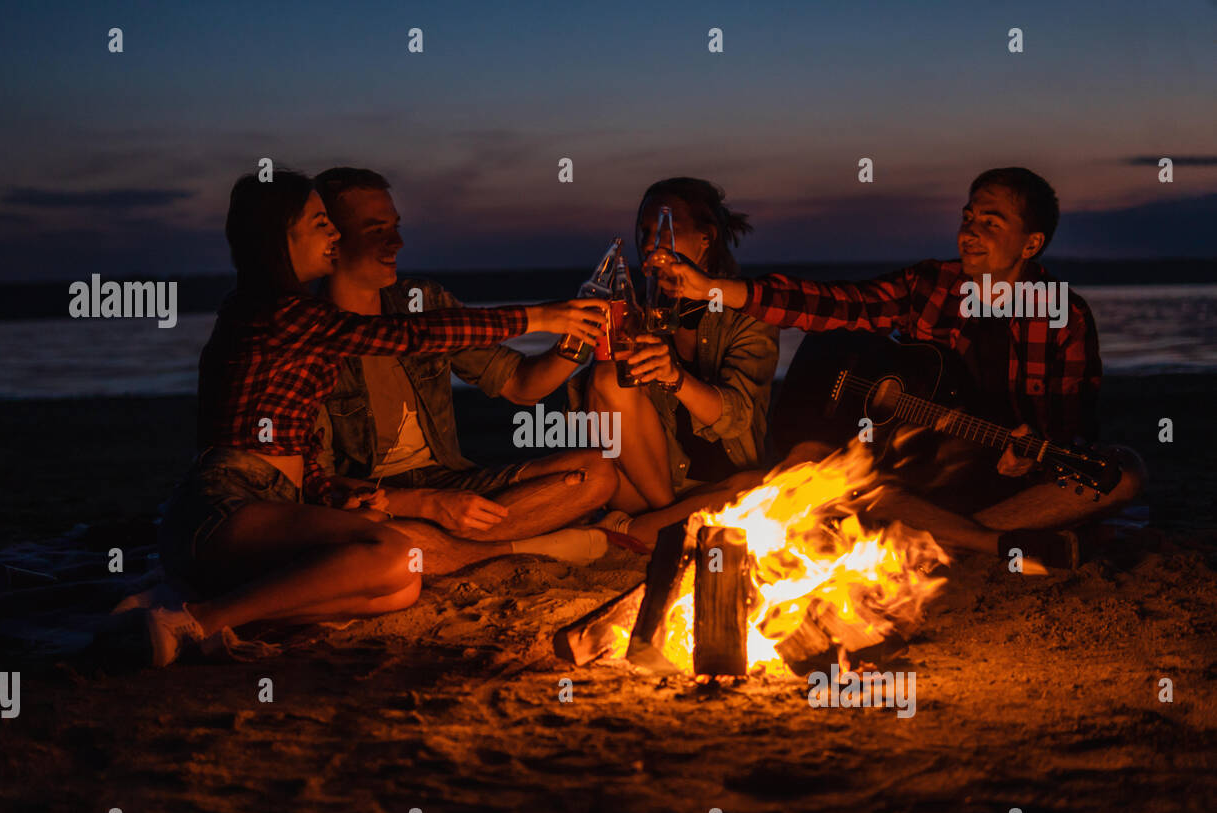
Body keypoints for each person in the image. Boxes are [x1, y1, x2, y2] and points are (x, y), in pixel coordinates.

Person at [119, 170, 608, 667]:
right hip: (226, 503)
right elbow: (407, 337)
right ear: (279, 236)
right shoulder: (275, 314)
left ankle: (216, 611)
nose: (332, 235)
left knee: (399, 589)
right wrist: (540, 317)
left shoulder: (305, 327)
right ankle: (196, 619)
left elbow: (302, 450)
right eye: (320, 225)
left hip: (277, 504)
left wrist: (340, 495)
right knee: (394, 550)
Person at [647, 167, 1146, 571]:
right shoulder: (931, 284)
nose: (968, 232)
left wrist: (1034, 451)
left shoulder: (1065, 315)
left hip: (996, 482)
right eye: (968, 217)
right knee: (852, 483)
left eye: (989, 223)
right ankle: (978, 543)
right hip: (918, 477)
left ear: (1031, 243)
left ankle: (937, 540)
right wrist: (712, 288)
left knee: (1121, 475)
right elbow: (835, 304)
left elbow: (1073, 428)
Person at [309, 166, 617, 541]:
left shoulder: (421, 302)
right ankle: (488, 546)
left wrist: (576, 338)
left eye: (396, 227)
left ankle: (450, 544)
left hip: (448, 479)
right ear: (332, 241)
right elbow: (317, 482)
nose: (396, 243)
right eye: (377, 230)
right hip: (375, 500)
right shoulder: (307, 332)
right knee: (372, 529)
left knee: (596, 473)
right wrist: (424, 504)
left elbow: (521, 386)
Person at [574, 177, 779, 550]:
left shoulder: (745, 312)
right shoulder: (638, 314)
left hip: (720, 483)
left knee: (758, 485)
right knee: (606, 376)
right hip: (652, 488)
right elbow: (596, 413)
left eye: (667, 230)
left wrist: (675, 377)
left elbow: (737, 417)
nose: (650, 244)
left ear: (706, 238)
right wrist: (592, 344)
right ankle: (665, 524)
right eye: (645, 232)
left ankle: (643, 531)